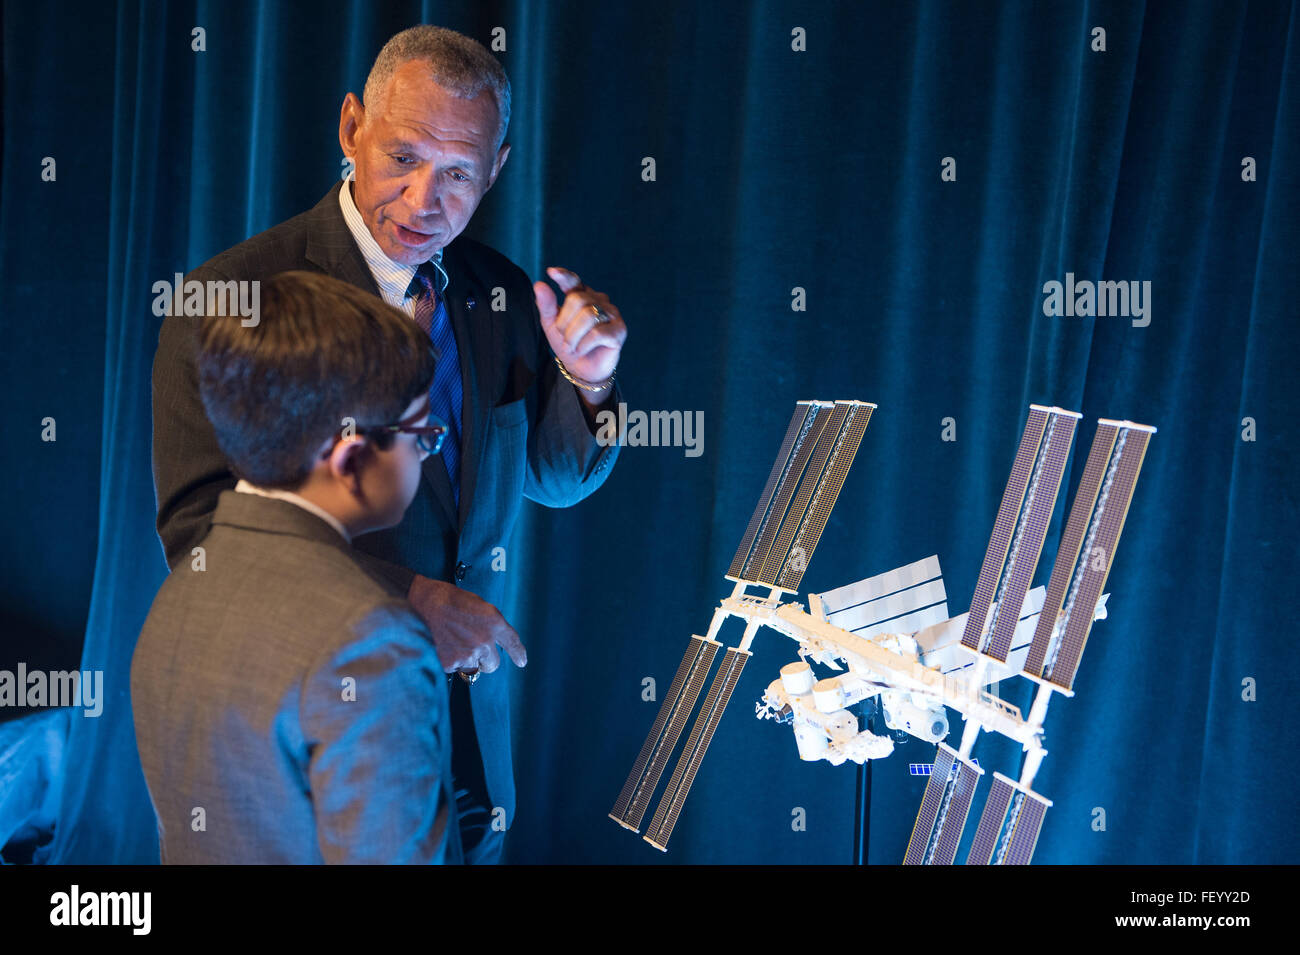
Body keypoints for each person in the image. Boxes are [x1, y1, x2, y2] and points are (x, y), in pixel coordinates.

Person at [151, 25, 627, 863]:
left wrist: (592, 383)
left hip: (474, 737)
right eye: (402, 157)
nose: (421, 202)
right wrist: (410, 600)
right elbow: (202, 535)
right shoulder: (227, 296)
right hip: (311, 720)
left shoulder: (502, 292)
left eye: (456, 175)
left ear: (497, 168)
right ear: (349, 129)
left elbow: (556, 478)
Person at [134, 271, 458, 864]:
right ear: (353, 459)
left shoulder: (180, 593)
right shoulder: (373, 638)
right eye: (422, 436)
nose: (425, 451)